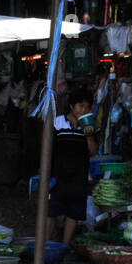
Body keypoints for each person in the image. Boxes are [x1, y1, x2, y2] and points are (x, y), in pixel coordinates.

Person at [46, 88, 99, 245]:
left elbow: (94, 152)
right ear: (71, 106)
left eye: (87, 107)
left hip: (79, 177)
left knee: (74, 214)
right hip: (58, 176)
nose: (83, 110)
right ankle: (47, 246)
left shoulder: (90, 126)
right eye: (80, 106)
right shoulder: (58, 122)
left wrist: (89, 136)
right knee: (51, 212)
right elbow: (48, 149)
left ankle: (64, 247)